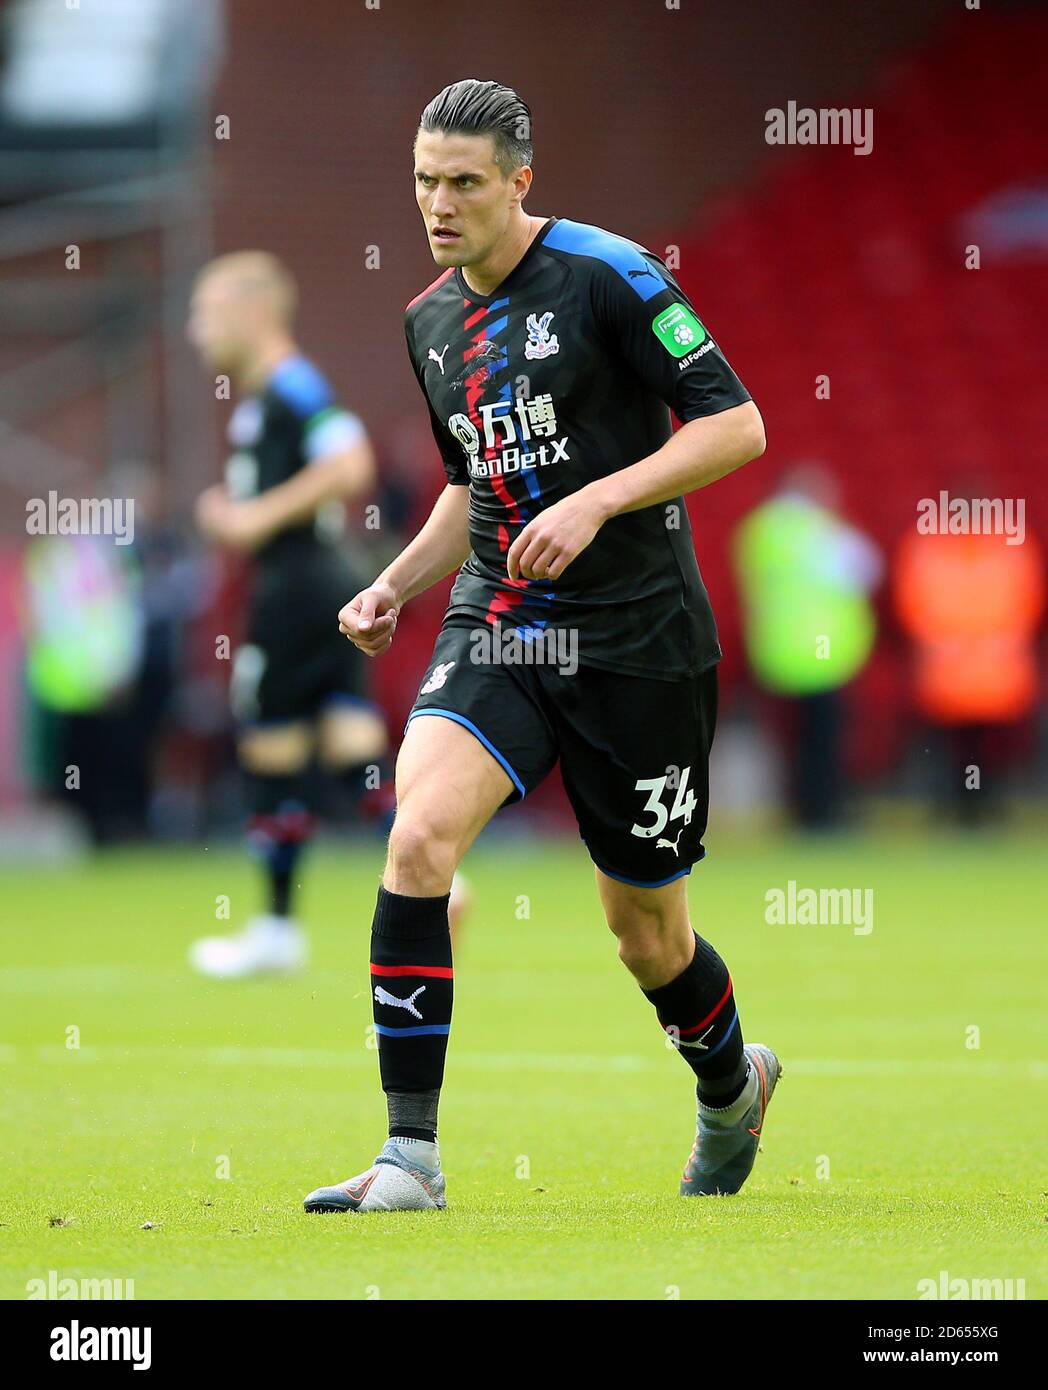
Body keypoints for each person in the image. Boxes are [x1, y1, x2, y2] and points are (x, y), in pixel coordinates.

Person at [303, 80, 774, 1214]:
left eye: (464, 181)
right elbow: (476, 484)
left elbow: (737, 424)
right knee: (417, 838)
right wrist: (392, 582)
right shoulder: (427, 322)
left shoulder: (610, 276)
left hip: (639, 639)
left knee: (645, 934)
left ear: (520, 181)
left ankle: (729, 1083)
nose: (439, 202)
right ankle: (407, 1158)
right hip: (503, 619)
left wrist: (599, 500)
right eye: (424, 180)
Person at [185, 251, 385, 978]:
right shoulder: (264, 396)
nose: (194, 331)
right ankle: (435, 882)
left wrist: (249, 520)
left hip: (296, 586)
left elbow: (351, 462)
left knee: (269, 743)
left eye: (205, 313)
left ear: (253, 311)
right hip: (321, 581)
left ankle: (275, 927)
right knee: (347, 739)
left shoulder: (291, 384)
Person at [732, 463, 881, 827]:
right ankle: (824, 814)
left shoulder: (758, 530)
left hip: (776, 652)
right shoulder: (819, 532)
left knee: (793, 741)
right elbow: (865, 569)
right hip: (823, 656)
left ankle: (799, 811)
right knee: (823, 742)